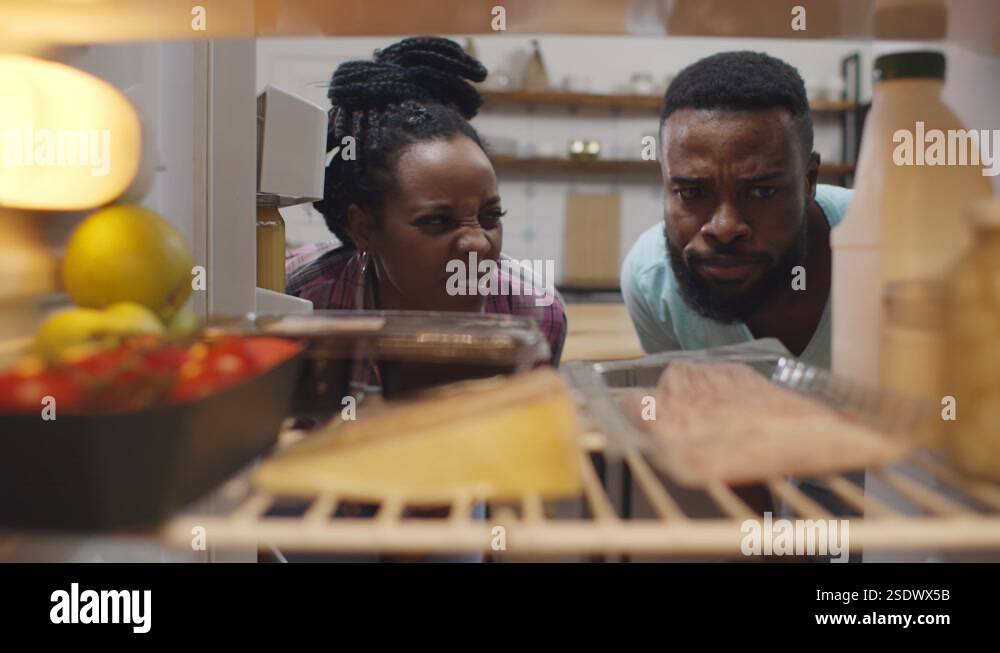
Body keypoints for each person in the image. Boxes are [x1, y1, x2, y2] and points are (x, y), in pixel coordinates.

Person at [286, 36, 566, 366]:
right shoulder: (305, 299)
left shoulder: (532, 310)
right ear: (363, 229)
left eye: (490, 216)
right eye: (437, 221)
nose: (477, 243)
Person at [621, 50, 852, 369]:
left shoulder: (886, 246)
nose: (725, 227)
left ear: (808, 180)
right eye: (691, 192)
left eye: (763, 191)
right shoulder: (650, 281)